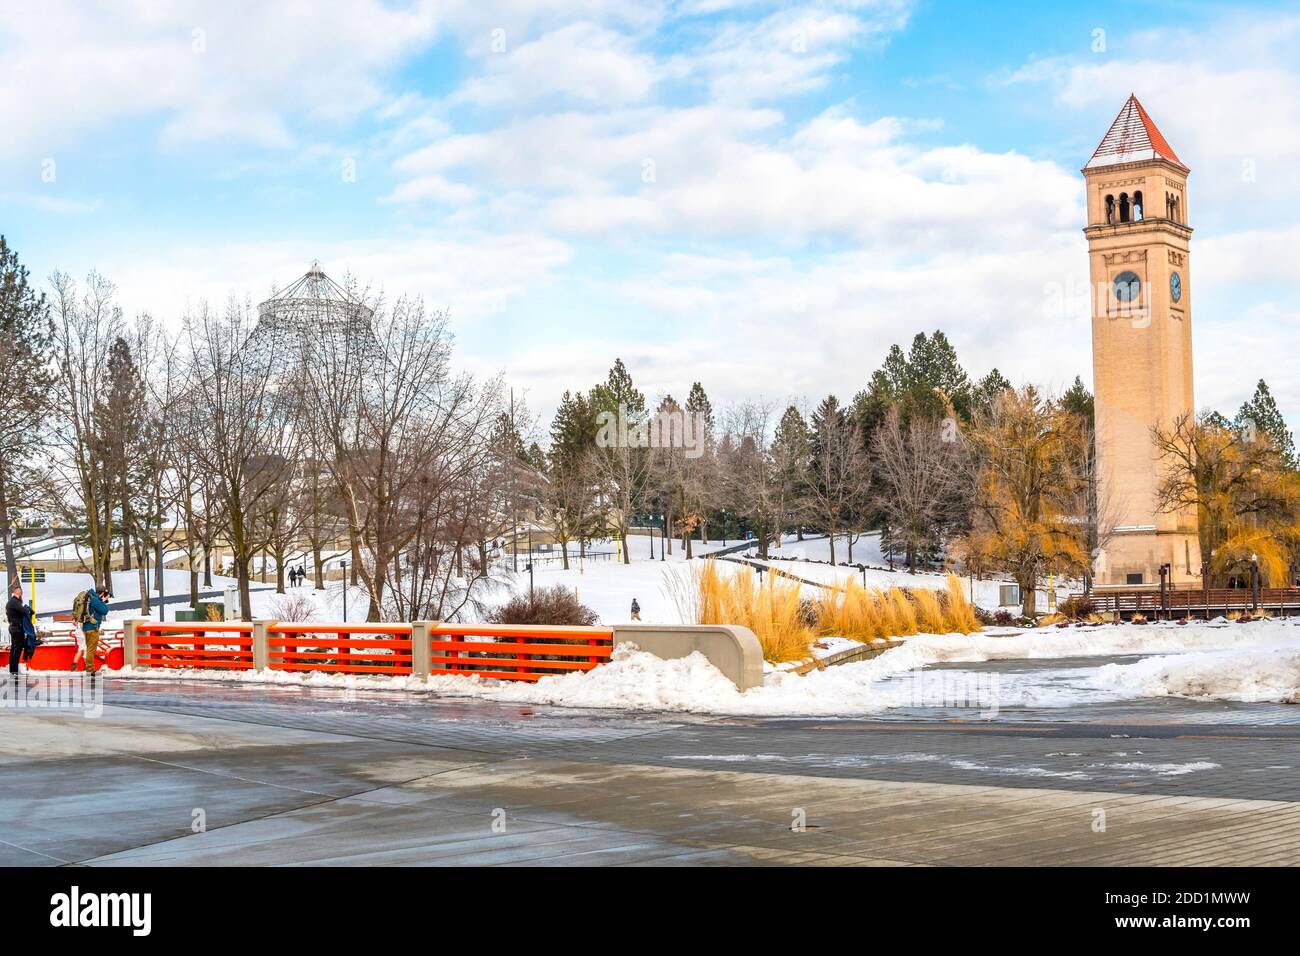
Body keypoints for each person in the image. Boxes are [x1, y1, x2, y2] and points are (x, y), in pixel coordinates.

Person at [77, 587, 110, 676]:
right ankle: (90, 671)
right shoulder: (95, 600)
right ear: (102, 593)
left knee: (89, 649)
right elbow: (104, 611)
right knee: (91, 650)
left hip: (87, 627)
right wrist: (103, 601)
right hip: (92, 628)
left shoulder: (90, 597)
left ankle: (89, 669)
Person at [7, 583, 26, 676]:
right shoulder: (15, 602)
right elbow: (24, 611)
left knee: (14, 648)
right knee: (17, 648)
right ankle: (14, 670)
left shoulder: (12, 601)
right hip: (17, 628)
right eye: (21, 592)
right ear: (19, 593)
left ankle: (13, 669)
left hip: (13, 627)